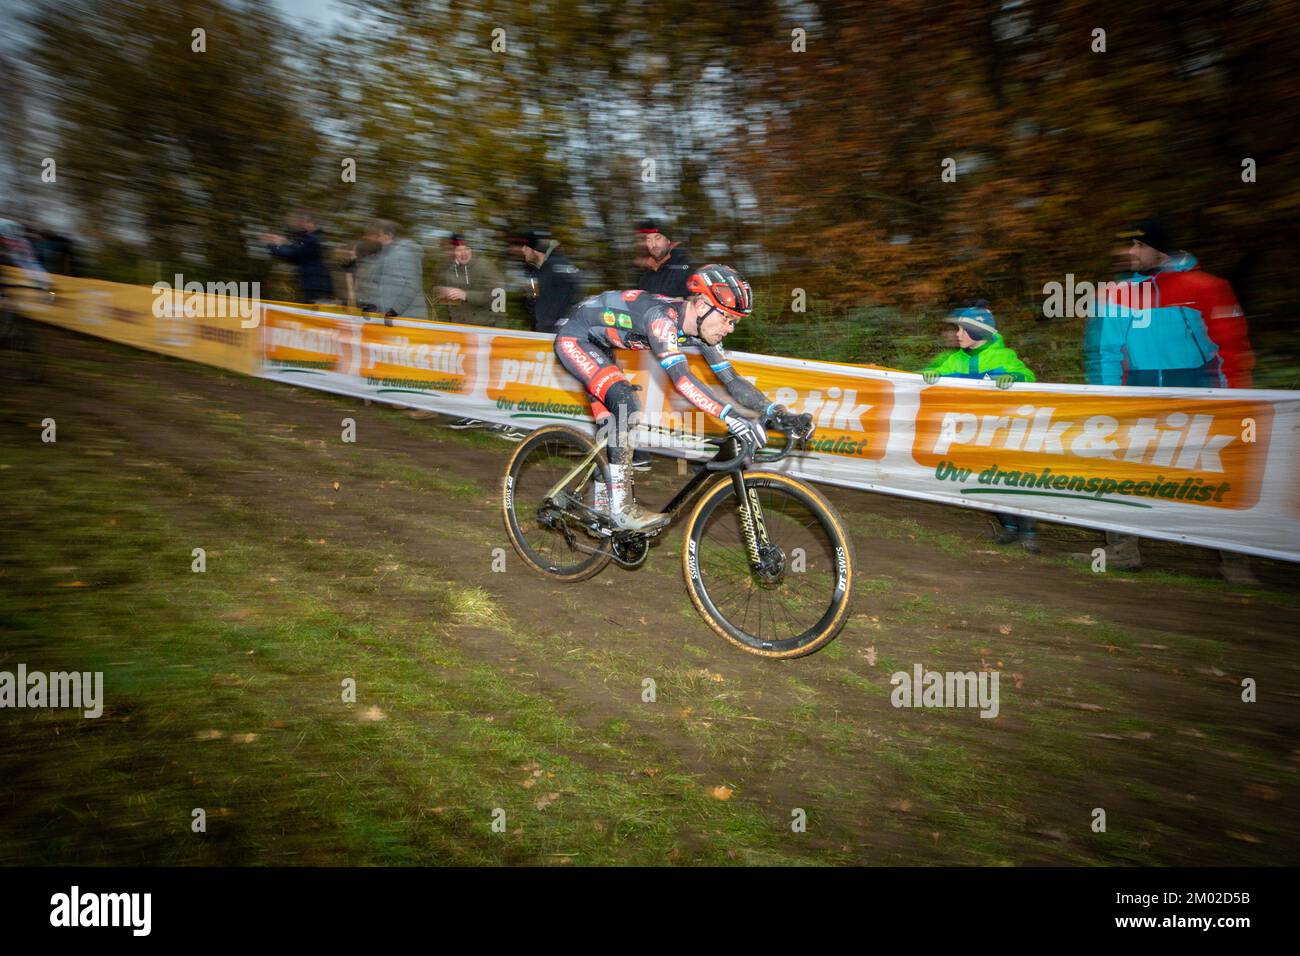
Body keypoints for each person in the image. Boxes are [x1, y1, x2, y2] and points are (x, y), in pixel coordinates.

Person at [552, 264, 808, 532]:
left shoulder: (703, 333)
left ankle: (601, 508)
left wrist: (776, 412)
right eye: (726, 319)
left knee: (611, 432)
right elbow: (682, 379)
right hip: (577, 338)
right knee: (626, 405)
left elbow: (732, 380)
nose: (729, 329)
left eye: (734, 322)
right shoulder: (662, 320)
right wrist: (729, 416)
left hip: (603, 344)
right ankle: (621, 510)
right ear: (701, 306)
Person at [1077, 219, 1258, 583]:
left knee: (1214, 475)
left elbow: (1231, 350)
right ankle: (1123, 551)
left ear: (1158, 248)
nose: (1129, 253)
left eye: (1136, 246)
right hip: (1139, 398)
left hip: (1199, 395)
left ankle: (1236, 562)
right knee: (1122, 473)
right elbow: (1106, 352)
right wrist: (1108, 399)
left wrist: (1235, 400)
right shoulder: (1116, 294)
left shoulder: (1207, 287)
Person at [920, 302, 1040, 552]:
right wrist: (930, 373)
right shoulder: (956, 359)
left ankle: (1028, 531)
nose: (957, 335)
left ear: (979, 332)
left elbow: (1029, 377)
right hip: (974, 432)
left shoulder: (1003, 356)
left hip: (1003, 431)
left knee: (1010, 480)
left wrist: (1015, 378)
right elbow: (933, 372)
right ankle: (1008, 527)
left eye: (963, 330)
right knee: (984, 479)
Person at [511, 228, 580, 334]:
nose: (522, 250)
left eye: (526, 247)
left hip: (554, 331)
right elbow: (534, 295)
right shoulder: (536, 269)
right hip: (546, 329)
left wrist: (559, 322)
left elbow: (575, 292)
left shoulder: (553, 266)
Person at [360, 219, 427, 322]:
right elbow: (377, 285)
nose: (373, 239)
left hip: (409, 319)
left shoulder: (405, 253)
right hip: (391, 320)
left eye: (377, 235)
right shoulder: (382, 256)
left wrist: (394, 311)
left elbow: (412, 285)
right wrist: (371, 304)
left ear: (389, 235)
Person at [261, 211, 334, 304]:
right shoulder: (312, 239)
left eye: (303, 222)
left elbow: (294, 254)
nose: (301, 225)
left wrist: (274, 245)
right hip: (313, 284)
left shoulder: (313, 239)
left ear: (311, 223)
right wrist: (283, 243)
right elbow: (297, 256)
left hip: (316, 285)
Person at [633, 218, 693, 297]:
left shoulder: (682, 265)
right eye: (648, 240)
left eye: (657, 238)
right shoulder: (646, 275)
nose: (653, 245)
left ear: (668, 241)